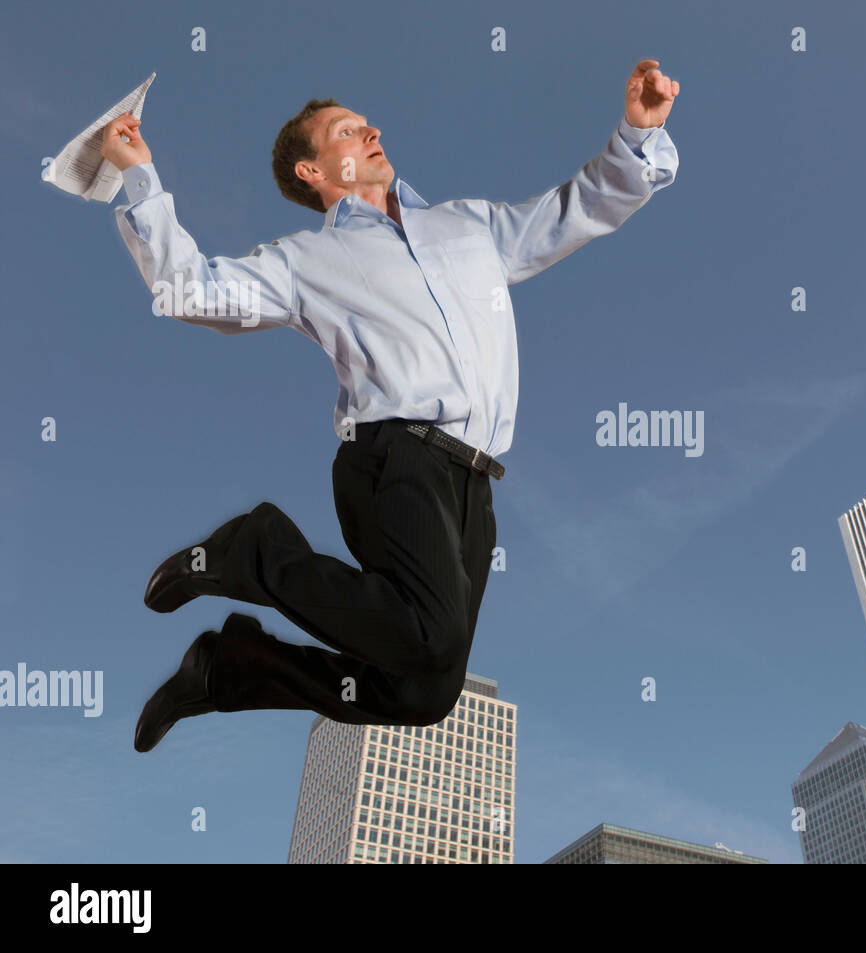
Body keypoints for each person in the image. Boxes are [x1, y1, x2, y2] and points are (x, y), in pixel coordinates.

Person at [102, 59, 680, 752]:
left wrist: (638, 134)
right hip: (392, 460)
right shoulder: (305, 261)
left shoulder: (469, 225)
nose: (371, 129)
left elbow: (579, 207)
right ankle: (252, 551)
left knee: (424, 691)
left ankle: (232, 668)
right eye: (347, 131)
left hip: (477, 485)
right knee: (432, 636)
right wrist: (140, 176)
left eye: (367, 121)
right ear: (314, 173)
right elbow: (189, 289)